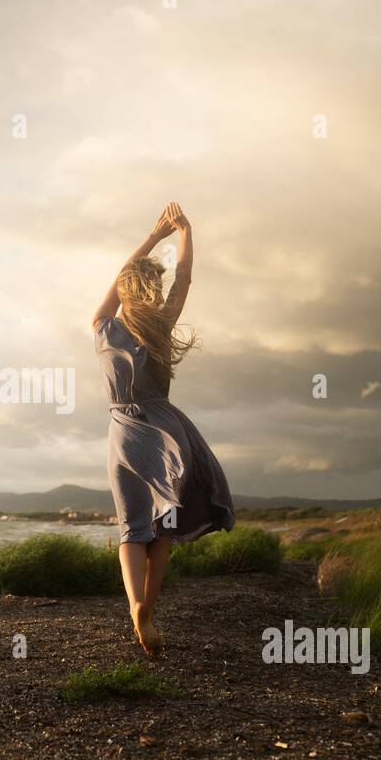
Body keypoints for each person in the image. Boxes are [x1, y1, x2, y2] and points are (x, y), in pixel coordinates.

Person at [91, 202, 236, 657]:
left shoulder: (103, 330)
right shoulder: (159, 328)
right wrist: (184, 233)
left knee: (131, 528)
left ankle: (134, 603)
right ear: (151, 292)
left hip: (124, 432)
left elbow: (120, 278)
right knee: (164, 528)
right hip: (166, 432)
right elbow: (186, 277)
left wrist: (152, 239)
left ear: (123, 290)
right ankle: (148, 611)